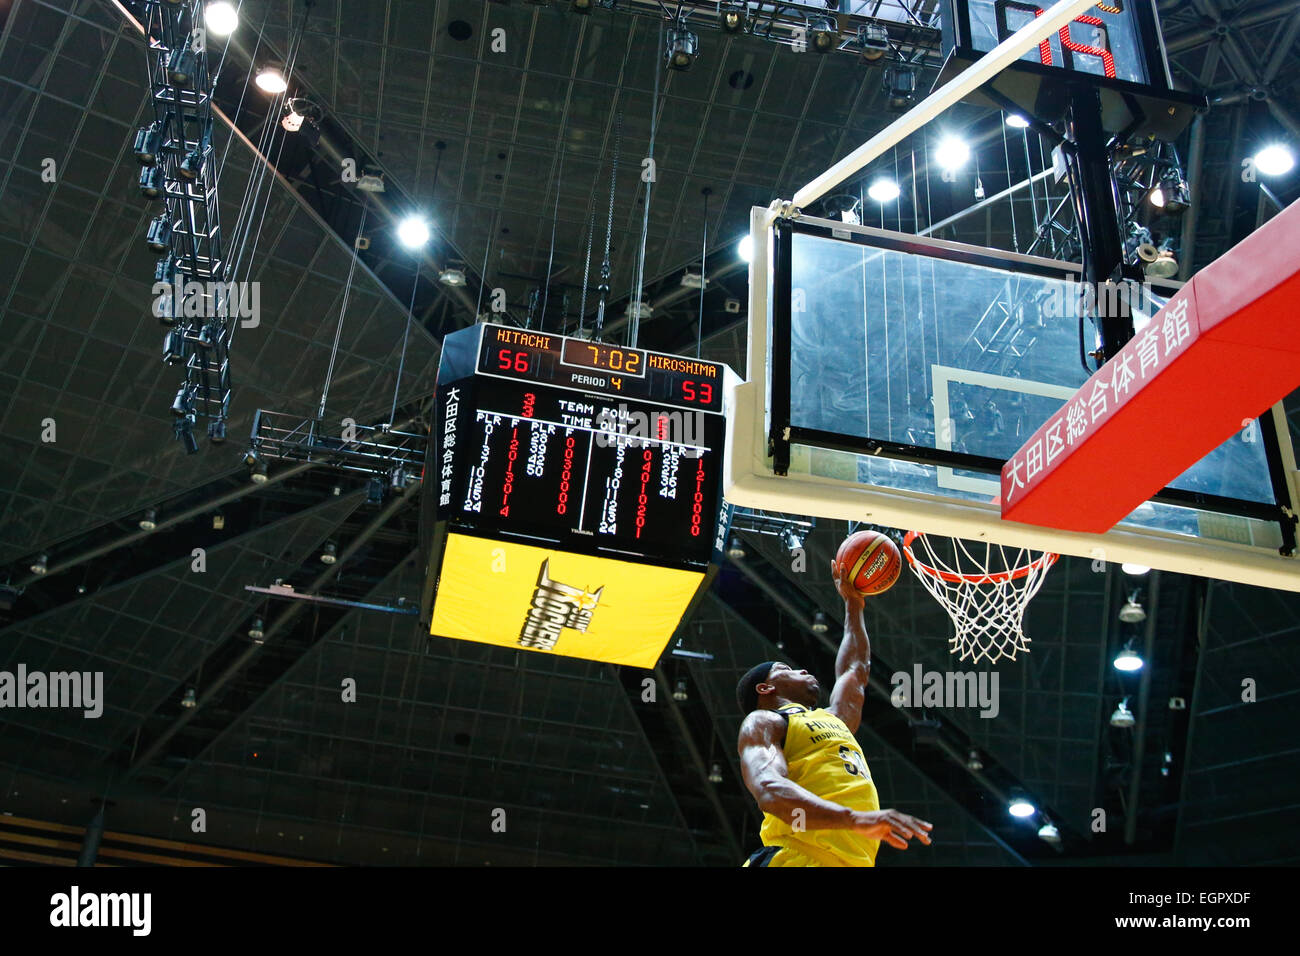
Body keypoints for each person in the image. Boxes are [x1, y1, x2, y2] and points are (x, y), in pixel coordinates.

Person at [735, 558, 933, 866]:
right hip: (796, 857)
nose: (802, 669)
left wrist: (854, 604)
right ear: (765, 688)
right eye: (786, 668)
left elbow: (855, 668)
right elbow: (769, 790)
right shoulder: (764, 722)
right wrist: (854, 819)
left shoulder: (834, 719)